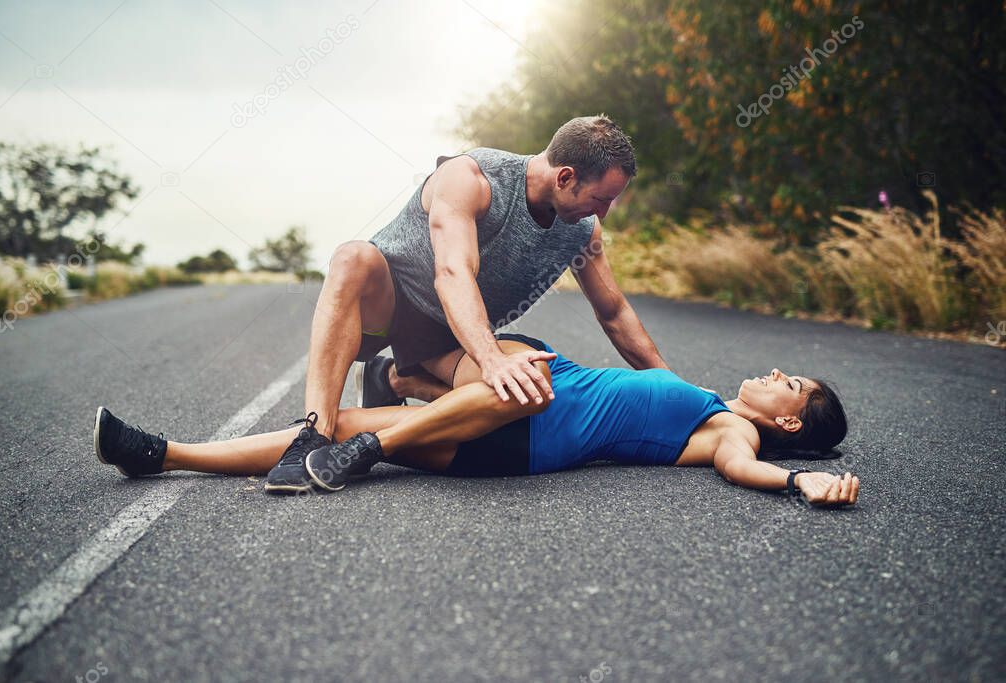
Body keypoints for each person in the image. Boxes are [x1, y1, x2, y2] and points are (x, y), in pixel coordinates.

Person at [273, 114, 672, 492]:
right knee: (353, 256)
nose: (603, 213)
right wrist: (491, 357)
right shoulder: (472, 178)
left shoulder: (583, 231)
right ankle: (313, 435)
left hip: (447, 336)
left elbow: (614, 312)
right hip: (386, 304)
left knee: (515, 395)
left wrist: (673, 391)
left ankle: (395, 378)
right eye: (600, 199)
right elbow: (453, 273)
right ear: (565, 176)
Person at [92, 334, 859, 507]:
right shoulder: (714, 401)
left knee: (349, 425)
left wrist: (799, 483)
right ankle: (160, 452)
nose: (773, 374)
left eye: (789, 384)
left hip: (529, 430)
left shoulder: (734, 432)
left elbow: (740, 469)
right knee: (337, 420)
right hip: (538, 384)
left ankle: (164, 451)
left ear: (791, 424)